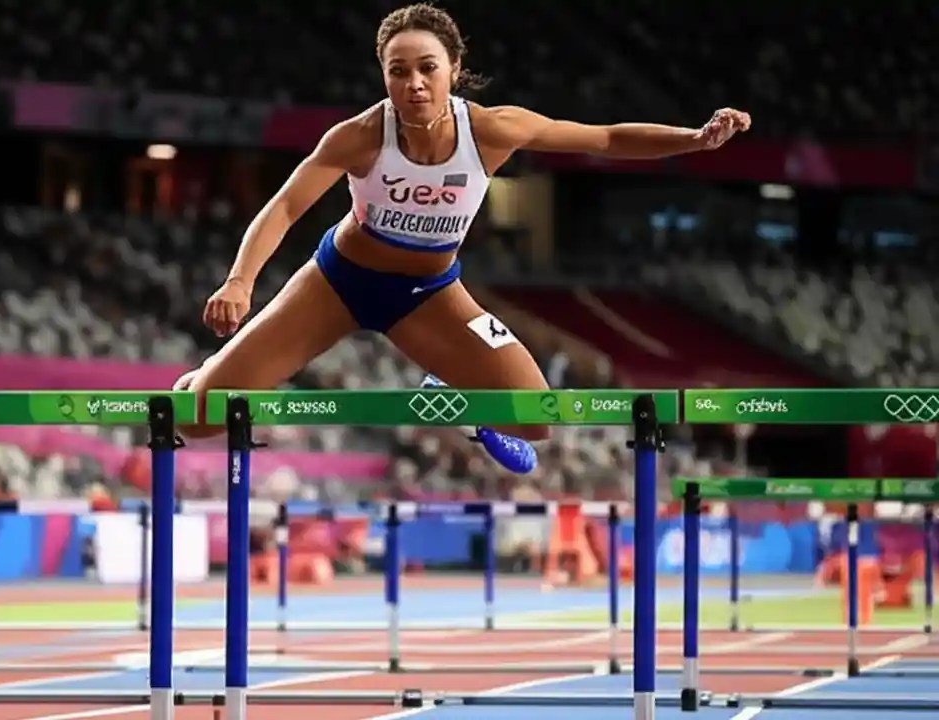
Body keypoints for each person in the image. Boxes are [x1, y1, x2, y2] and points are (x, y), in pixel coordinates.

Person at [175, 2, 750, 474]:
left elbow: (603, 139)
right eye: (398, 71)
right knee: (194, 415)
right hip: (338, 284)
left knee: (536, 416)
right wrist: (239, 281)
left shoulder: (494, 130)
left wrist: (694, 139)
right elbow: (284, 207)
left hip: (430, 295)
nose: (413, 84)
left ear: (453, 67)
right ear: (384, 76)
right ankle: (201, 377)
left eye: (427, 67)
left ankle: (464, 407)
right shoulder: (359, 137)